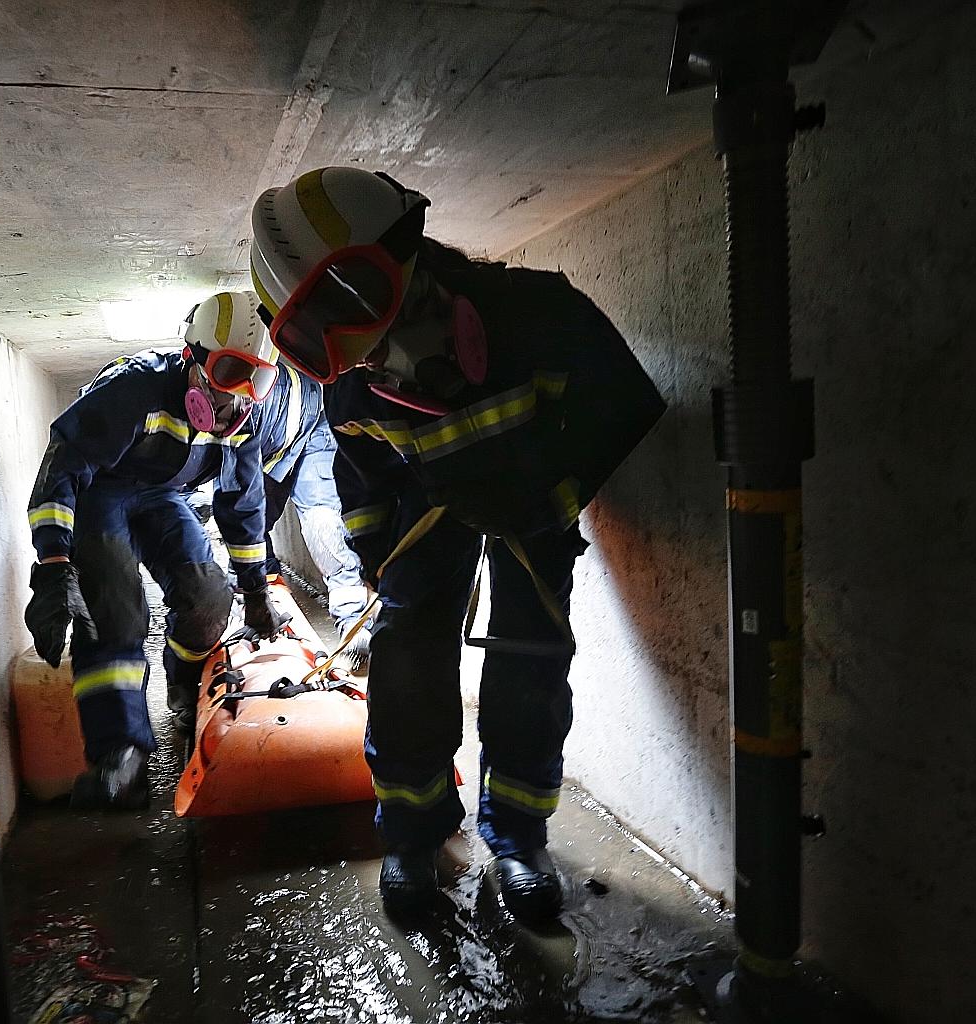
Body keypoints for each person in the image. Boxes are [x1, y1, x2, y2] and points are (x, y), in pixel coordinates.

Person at [248, 167, 667, 919]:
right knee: (407, 664)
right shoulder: (353, 389)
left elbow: (625, 405)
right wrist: (385, 560)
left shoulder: (540, 313)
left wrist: (552, 499)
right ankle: (413, 837)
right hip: (429, 506)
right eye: (358, 355)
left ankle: (519, 840)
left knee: (531, 662)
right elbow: (365, 478)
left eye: (380, 332)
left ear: (410, 258)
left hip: (532, 497)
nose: (382, 360)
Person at [24, 290, 284, 810]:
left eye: (253, 381)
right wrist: (54, 563)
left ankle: (185, 688)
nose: (232, 399)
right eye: (227, 373)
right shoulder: (133, 387)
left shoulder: (244, 421)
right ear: (192, 358)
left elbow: (242, 505)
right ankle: (119, 753)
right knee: (114, 610)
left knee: (209, 596)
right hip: (104, 490)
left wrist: (254, 590)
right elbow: (64, 466)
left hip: (165, 497)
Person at [247, 358, 374, 669]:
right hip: (277, 424)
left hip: (306, 417)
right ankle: (265, 598)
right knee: (255, 526)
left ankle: (352, 624)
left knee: (322, 522)